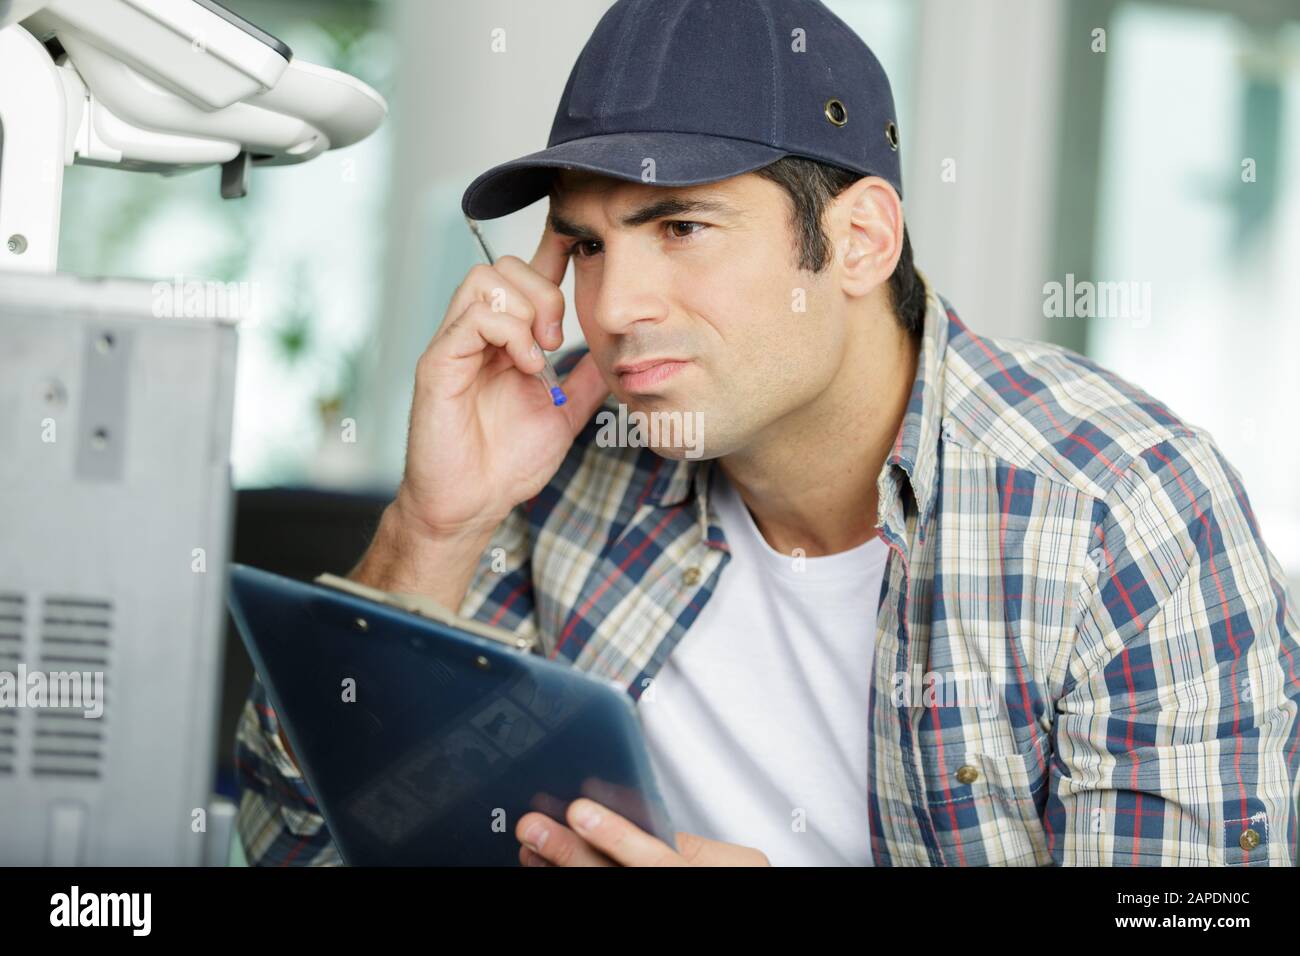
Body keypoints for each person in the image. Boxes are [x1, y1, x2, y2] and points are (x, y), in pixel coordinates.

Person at [234, 0, 1300, 866]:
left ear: (857, 240)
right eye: (586, 245)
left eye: (680, 227)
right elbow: (295, 842)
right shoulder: (559, 461)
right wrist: (436, 524)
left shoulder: (1122, 507)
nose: (611, 309)